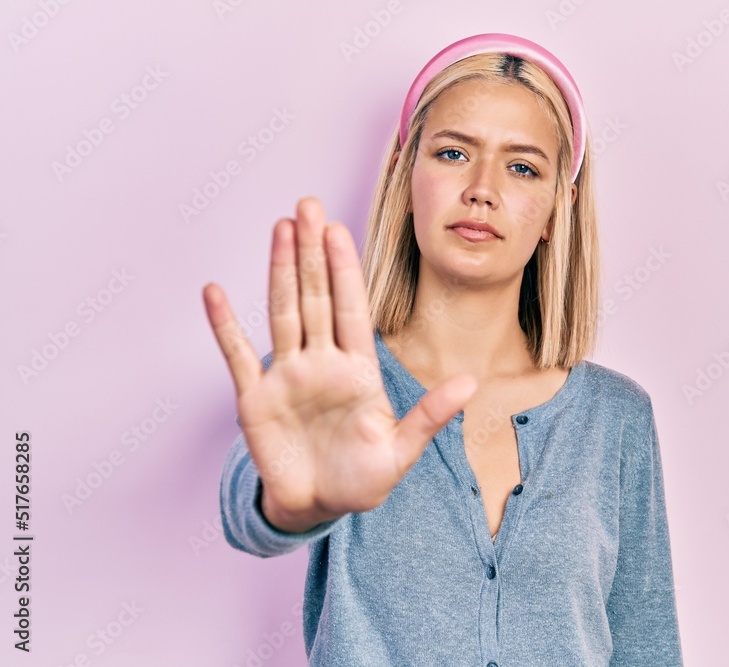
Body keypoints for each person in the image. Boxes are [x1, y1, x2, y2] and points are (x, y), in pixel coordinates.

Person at [203, 33, 684, 666]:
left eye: (522, 166)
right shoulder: (327, 382)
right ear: (407, 177)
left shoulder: (616, 417)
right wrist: (291, 505)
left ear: (554, 211)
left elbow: (647, 648)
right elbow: (253, 503)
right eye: (454, 152)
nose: (482, 188)